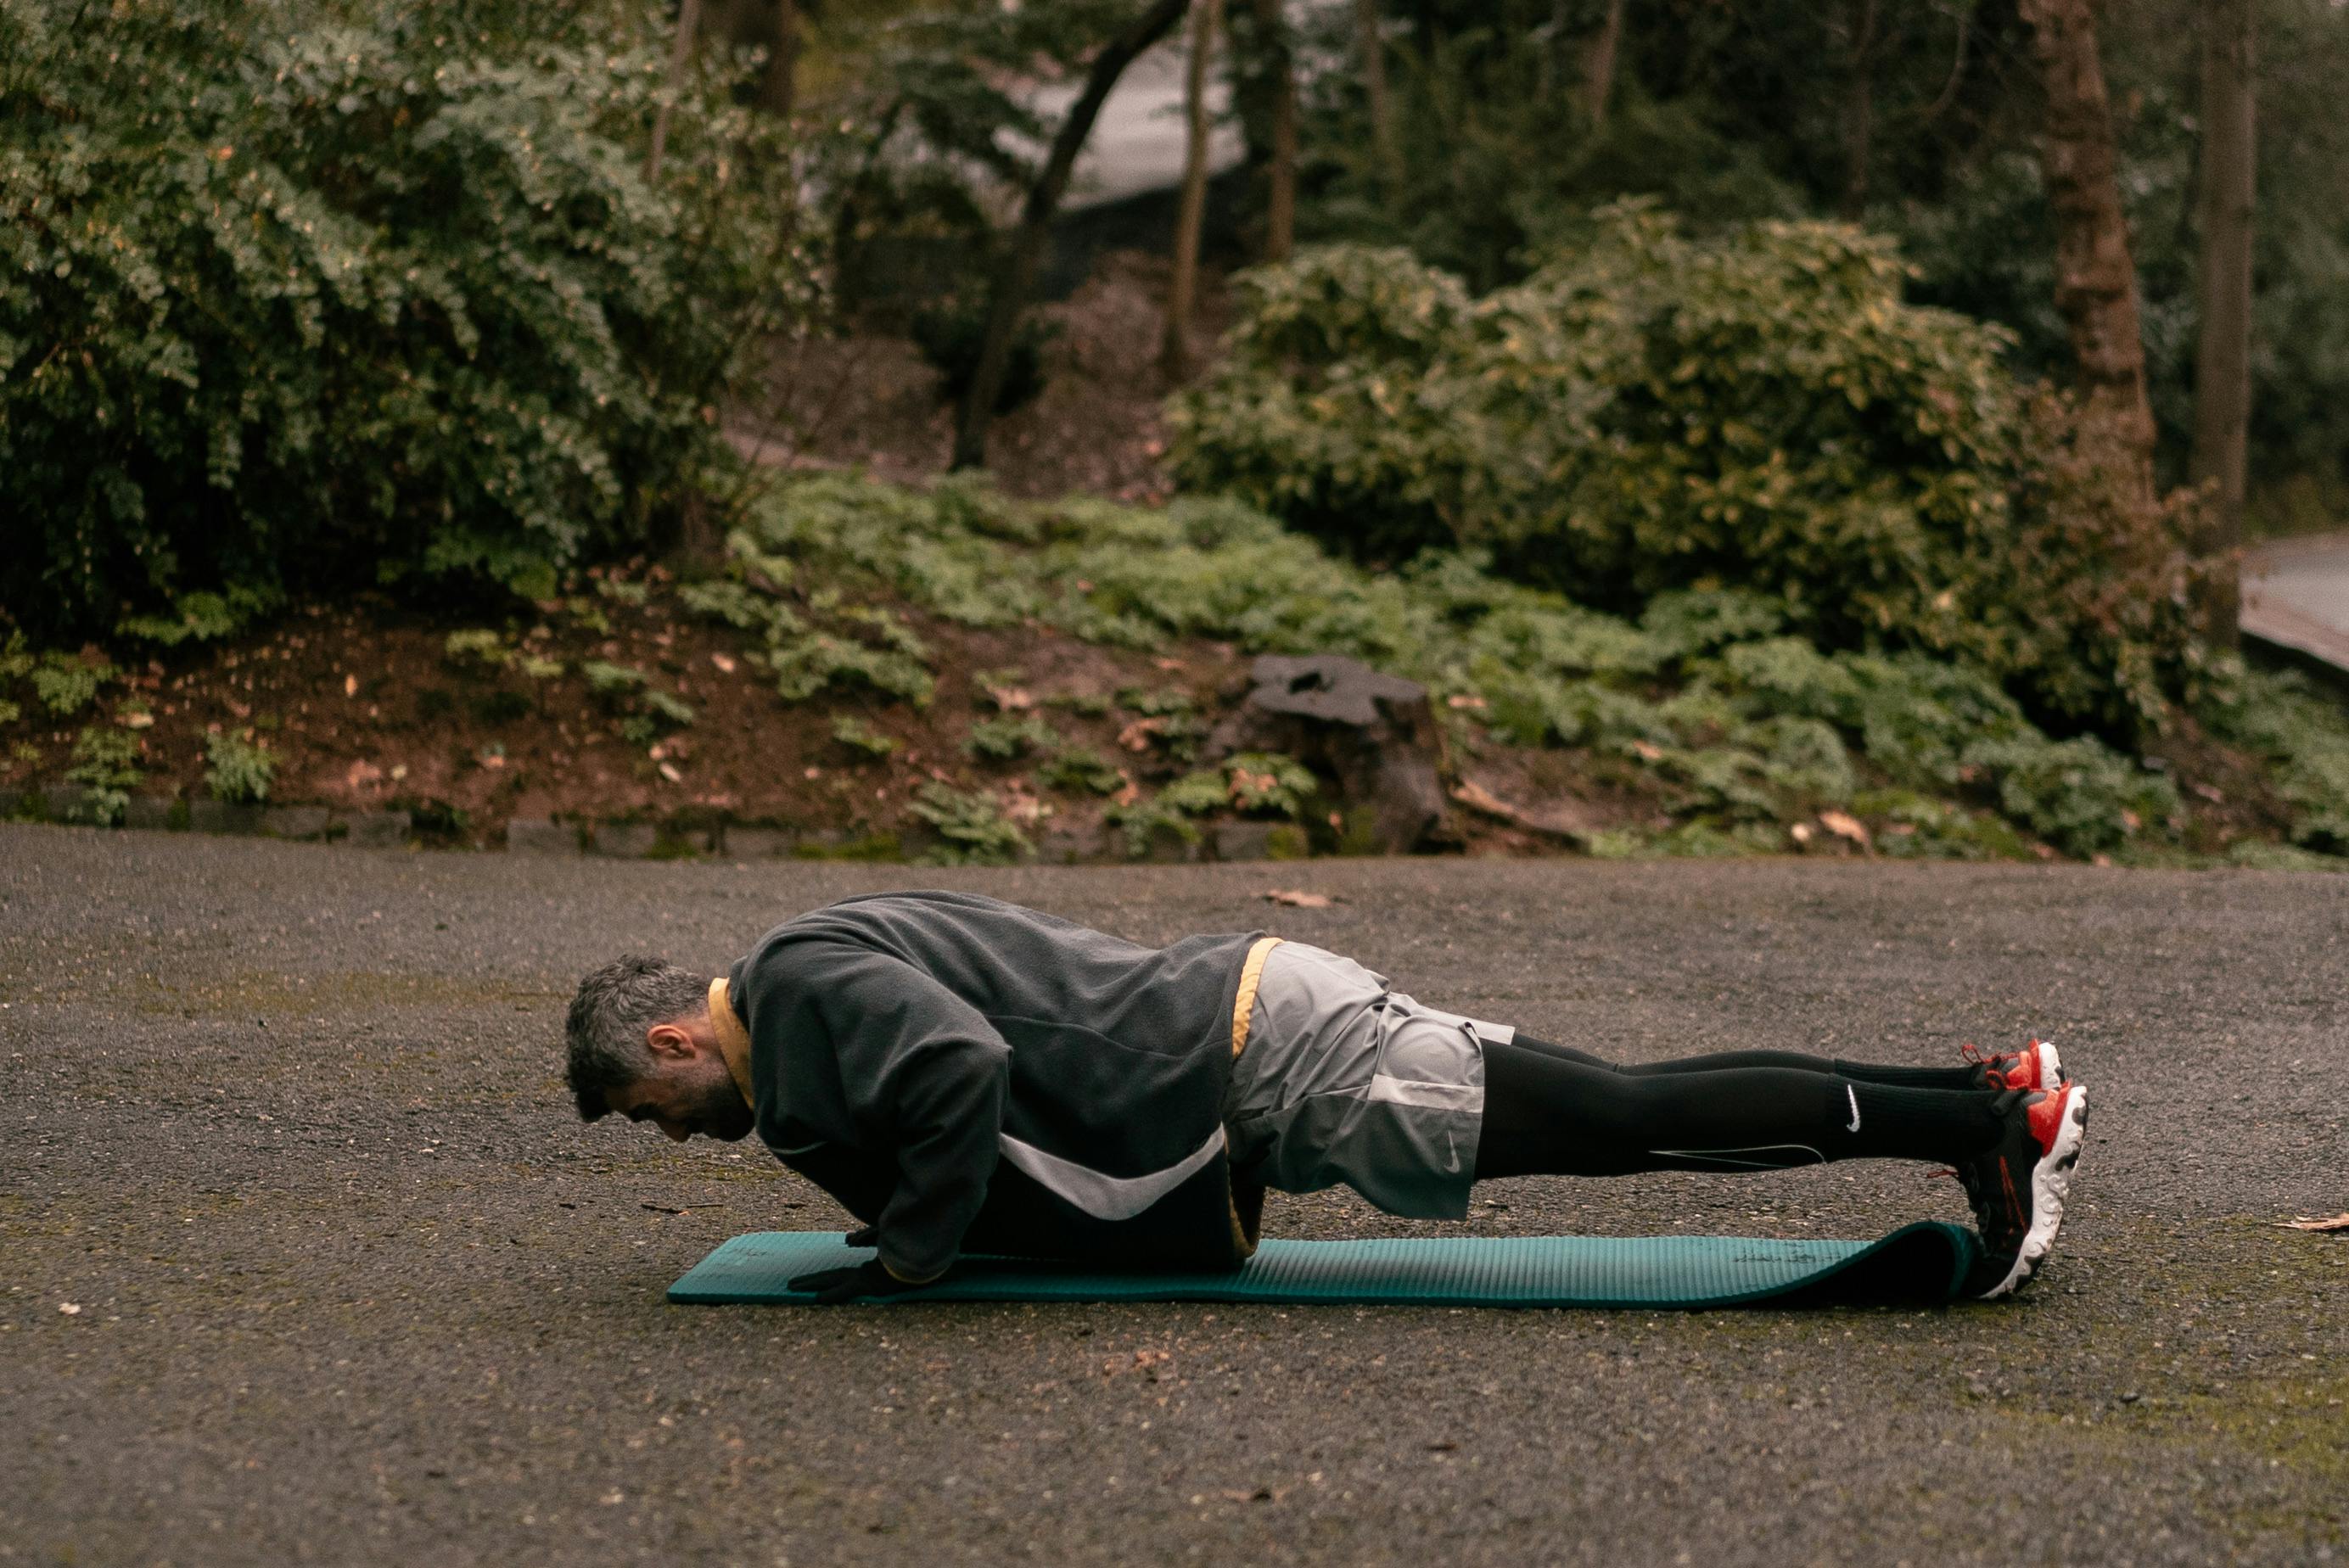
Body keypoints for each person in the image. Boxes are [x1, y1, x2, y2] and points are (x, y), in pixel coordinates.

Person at [563, 890, 2087, 1303]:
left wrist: (915, 1247)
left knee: (1628, 1126)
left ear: (672, 1042)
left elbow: (962, 1071)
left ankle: (1985, 1132)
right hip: (1261, 1019)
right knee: (1625, 1105)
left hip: (1275, 1059)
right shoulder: (806, 967)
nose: (673, 1141)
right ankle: (1985, 1097)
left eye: (650, 1112)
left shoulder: (799, 990)